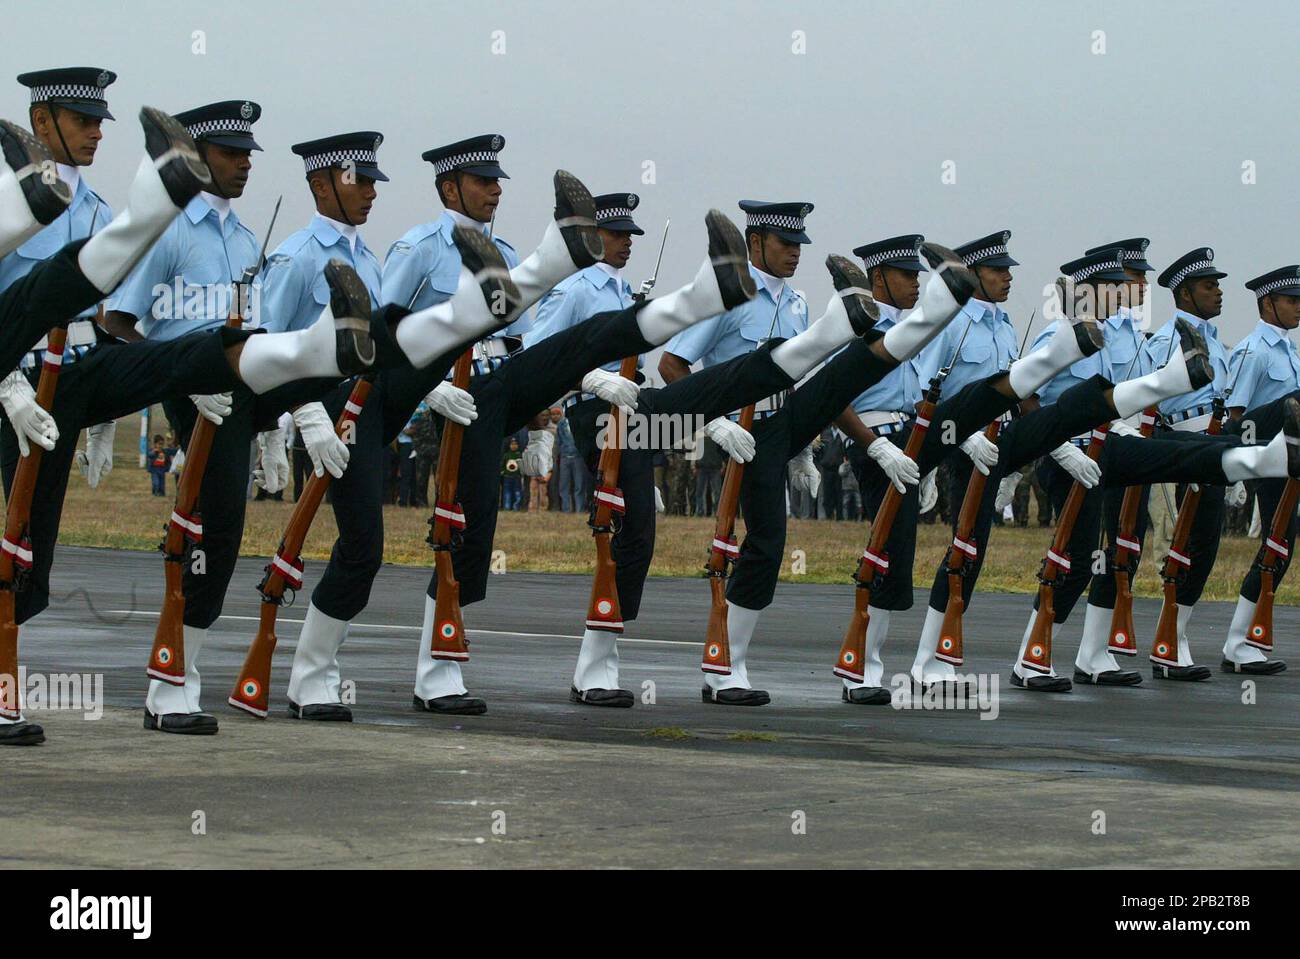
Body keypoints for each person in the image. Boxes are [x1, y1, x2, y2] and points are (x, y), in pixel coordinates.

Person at [1219, 265, 1300, 675]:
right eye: (1291, 300)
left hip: (1292, 467)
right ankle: (1238, 641)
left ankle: (1246, 637)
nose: (1298, 308)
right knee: (1274, 548)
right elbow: (1239, 419)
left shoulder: (1290, 349)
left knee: (1282, 549)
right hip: (1269, 466)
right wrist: (1244, 474)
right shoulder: (1253, 351)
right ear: (1267, 303)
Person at [501, 437, 523, 509]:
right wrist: (502, 471)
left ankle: (516, 507)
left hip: (517, 477)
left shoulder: (520, 455)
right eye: (512, 444)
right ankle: (507, 507)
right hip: (507, 477)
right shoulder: (506, 455)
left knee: (517, 492)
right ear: (509, 445)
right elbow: (502, 465)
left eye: (515, 444)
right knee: (507, 492)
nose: (514, 446)